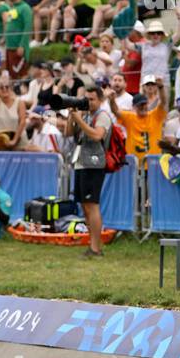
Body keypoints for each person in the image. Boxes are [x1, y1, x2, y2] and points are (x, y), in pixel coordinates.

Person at [67, 83, 111, 257]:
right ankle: (92, 244)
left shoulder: (103, 116)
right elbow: (69, 133)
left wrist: (78, 119)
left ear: (100, 100)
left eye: (92, 99)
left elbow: (97, 135)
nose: (89, 103)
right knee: (85, 206)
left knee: (92, 205)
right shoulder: (84, 115)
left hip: (94, 164)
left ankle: (95, 248)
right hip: (81, 162)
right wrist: (72, 117)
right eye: (87, 99)